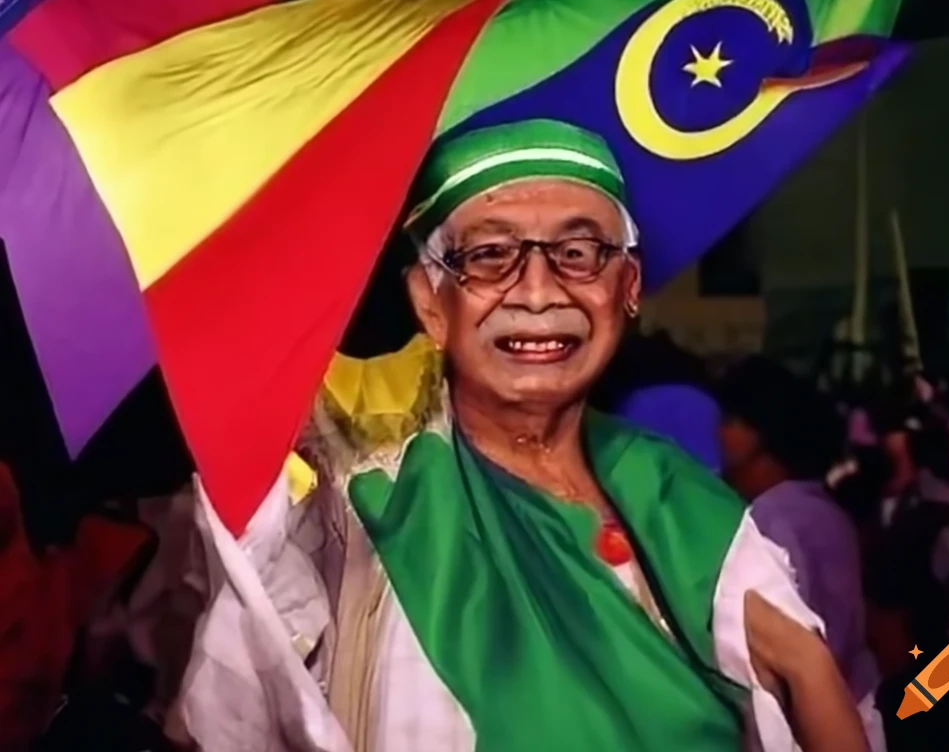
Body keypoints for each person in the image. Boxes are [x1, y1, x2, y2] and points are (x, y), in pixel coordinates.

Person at [179, 121, 868, 752]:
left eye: (577, 253)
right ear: (429, 301)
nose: (538, 292)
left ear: (626, 287)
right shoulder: (365, 461)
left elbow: (803, 666)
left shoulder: (664, 485)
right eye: (490, 256)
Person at [717, 357, 885, 750]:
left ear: (755, 435)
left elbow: (801, 659)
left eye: (730, 420)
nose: (718, 433)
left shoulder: (773, 521)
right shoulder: (818, 510)